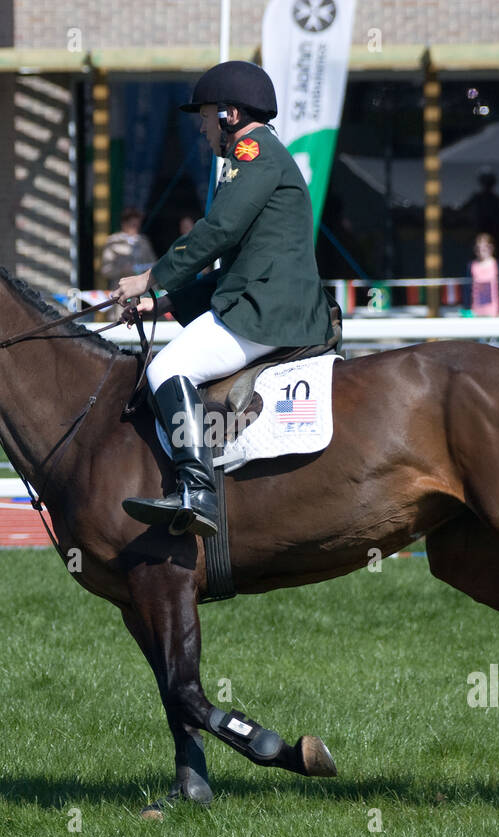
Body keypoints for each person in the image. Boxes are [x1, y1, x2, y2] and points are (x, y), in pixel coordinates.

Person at [113, 60, 333, 538]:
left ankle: (198, 491)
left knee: (165, 369)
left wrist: (150, 278)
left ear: (230, 114)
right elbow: (239, 264)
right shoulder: (259, 157)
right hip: (265, 300)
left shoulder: (253, 154)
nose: (202, 126)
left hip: (267, 312)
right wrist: (165, 302)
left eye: (206, 116)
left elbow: (218, 233)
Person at [100, 208, 156, 289]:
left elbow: (153, 264)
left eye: (138, 225)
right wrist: (122, 270)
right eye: (132, 225)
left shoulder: (144, 241)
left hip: (143, 290)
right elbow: (106, 270)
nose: (136, 228)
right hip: (120, 289)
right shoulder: (113, 241)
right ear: (124, 223)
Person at [464, 233, 499, 317]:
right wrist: (467, 308)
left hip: (494, 311)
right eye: (478, 248)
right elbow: (467, 289)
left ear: (491, 248)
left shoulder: (497, 265)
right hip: (476, 310)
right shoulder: (471, 265)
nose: (481, 251)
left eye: (484, 248)